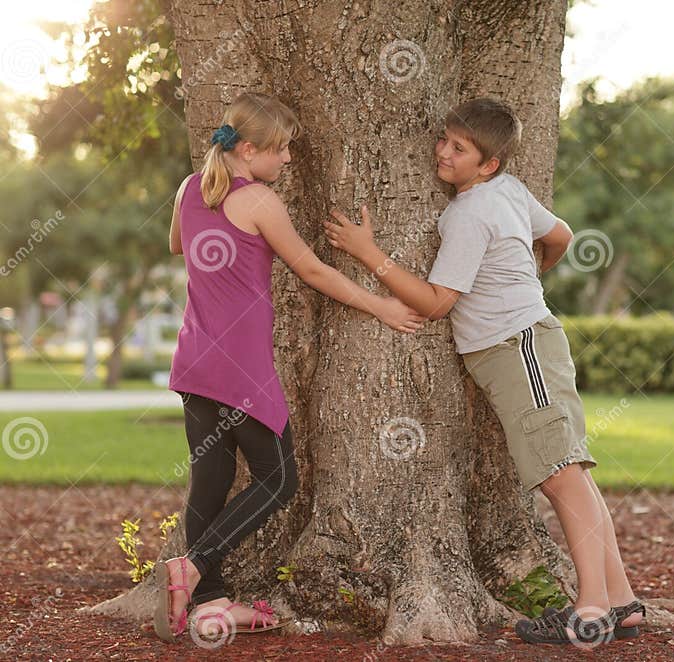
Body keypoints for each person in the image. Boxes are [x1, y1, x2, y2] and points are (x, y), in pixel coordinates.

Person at [324, 98, 644, 646]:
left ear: (488, 163)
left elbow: (436, 303)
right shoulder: (509, 192)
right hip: (529, 343)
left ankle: (590, 609)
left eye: (459, 148)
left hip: (519, 350)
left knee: (560, 475)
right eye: (445, 140)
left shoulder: (470, 214)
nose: (442, 153)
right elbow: (561, 235)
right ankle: (620, 601)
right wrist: (522, 280)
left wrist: (368, 253)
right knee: (573, 472)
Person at [154, 92, 425, 643]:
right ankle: (194, 566)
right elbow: (314, 271)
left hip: (195, 357)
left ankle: (210, 606)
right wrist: (382, 305)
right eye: (281, 150)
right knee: (278, 481)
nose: (288, 160)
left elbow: (180, 244)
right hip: (242, 366)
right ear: (249, 150)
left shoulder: (188, 189)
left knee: (212, 478)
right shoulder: (259, 202)